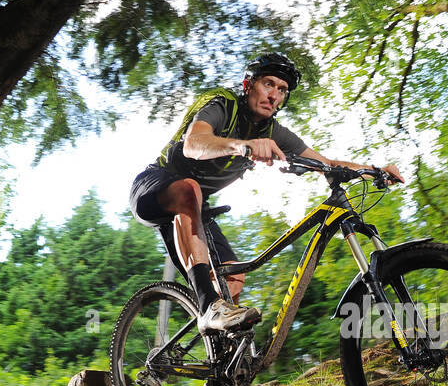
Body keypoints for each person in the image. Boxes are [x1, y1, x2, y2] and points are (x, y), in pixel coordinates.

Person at [129, 52, 405, 333]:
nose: (274, 94)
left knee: (234, 277)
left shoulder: (276, 133)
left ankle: (223, 366)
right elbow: (194, 143)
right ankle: (208, 307)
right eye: (268, 84)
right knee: (189, 188)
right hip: (154, 187)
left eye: (282, 90)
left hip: (196, 209)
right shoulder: (223, 105)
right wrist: (243, 145)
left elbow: (326, 164)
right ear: (249, 85)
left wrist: (373, 170)